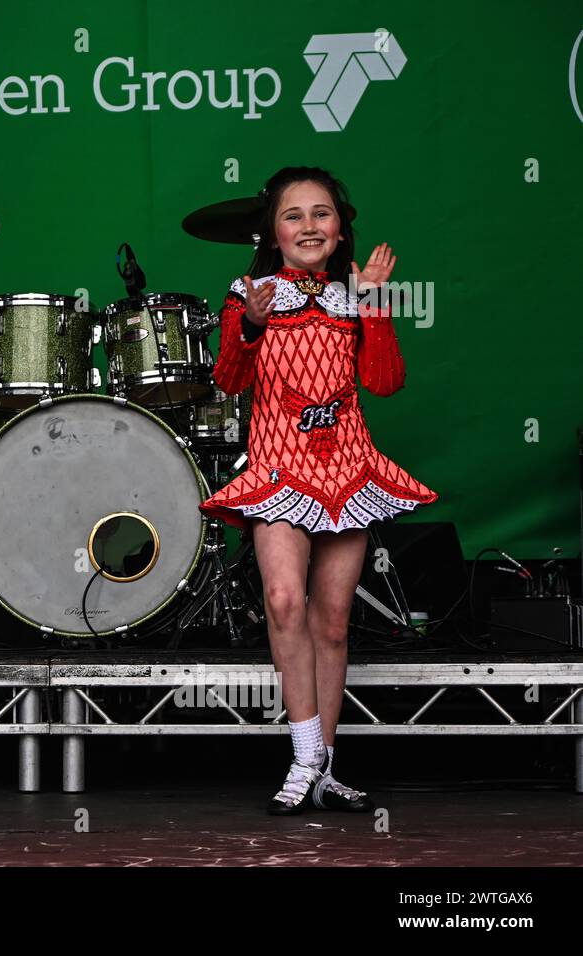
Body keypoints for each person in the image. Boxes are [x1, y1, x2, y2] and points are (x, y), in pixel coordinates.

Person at [199, 166, 438, 814]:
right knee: (283, 600)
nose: (309, 225)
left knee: (332, 622)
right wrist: (248, 326)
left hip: (346, 469)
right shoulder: (249, 292)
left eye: (321, 214)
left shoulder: (352, 296)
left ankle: (325, 769)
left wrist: (374, 305)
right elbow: (228, 376)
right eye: (294, 215)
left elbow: (385, 382)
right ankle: (305, 758)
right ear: (273, 233)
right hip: (278, 468)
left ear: (340, 230)